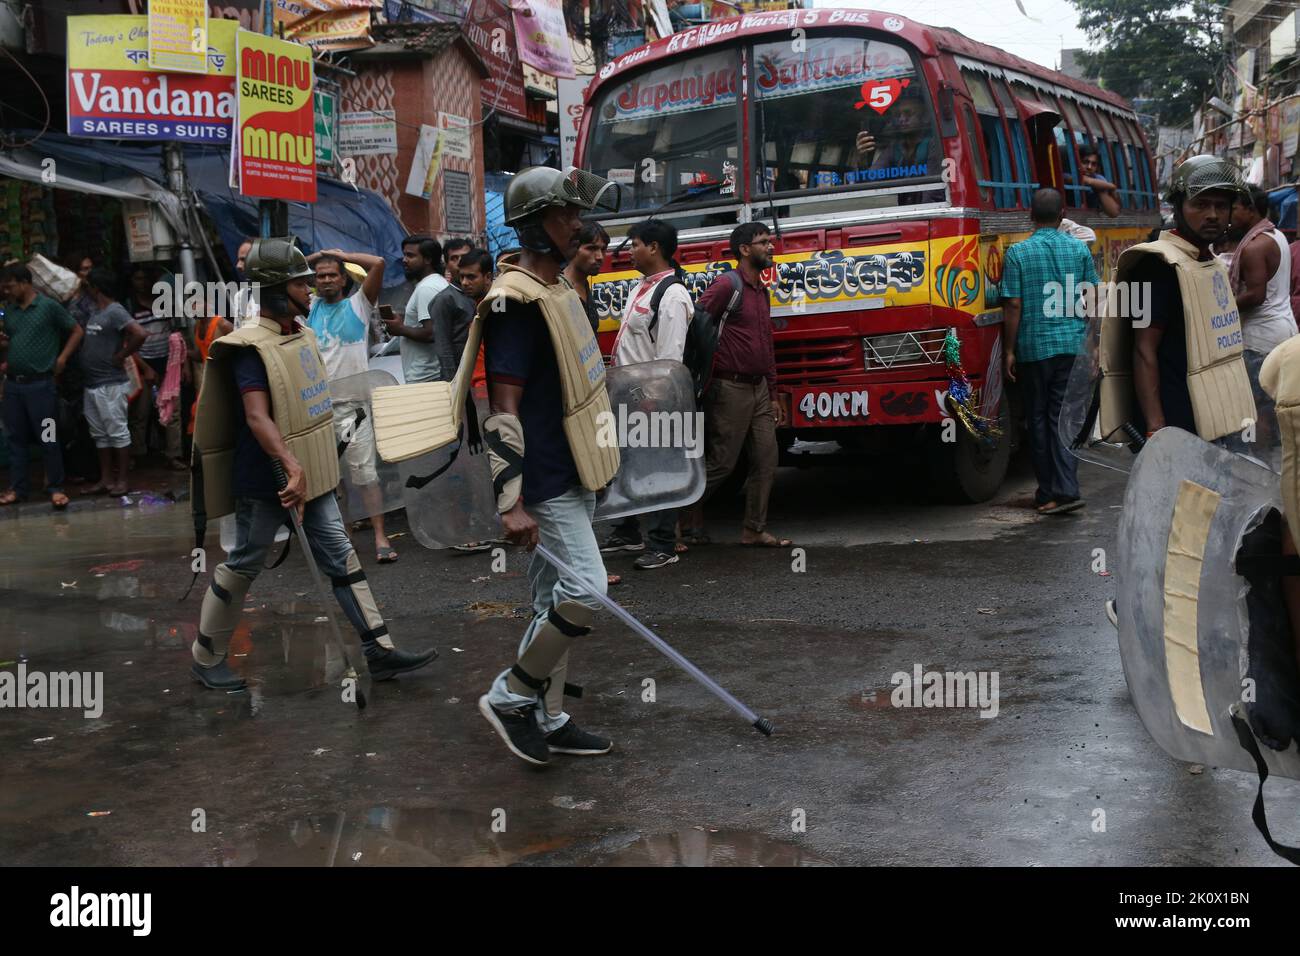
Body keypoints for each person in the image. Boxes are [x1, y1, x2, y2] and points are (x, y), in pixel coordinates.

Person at [189, 237, 437, 692]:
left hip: (312, 471)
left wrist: (311, 465)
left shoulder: (301, 334)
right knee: (245, 561)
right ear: (275, 289)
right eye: (299, 282)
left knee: (340, 557)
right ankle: (207, 657)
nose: (309, 289)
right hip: (267, 478)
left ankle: (378, 651)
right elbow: (256, 415)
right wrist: (289, 465)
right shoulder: (250, 348)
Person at [477, 165, 623, 765]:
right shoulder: (514, 305)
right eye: (564, 215)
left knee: (550, 603)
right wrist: (509, 500)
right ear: (535, 224)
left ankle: (549, 714)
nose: (576, 224)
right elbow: (501, 409)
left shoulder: (559, 291)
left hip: (575, 469)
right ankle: (510, 696)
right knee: (586, 589)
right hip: (542, 480)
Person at [681, 222, 791, 548]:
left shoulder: (762, 291)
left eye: (770, 242)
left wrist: (772, 393)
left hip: (758, 390)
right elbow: (698, 319)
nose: (770, 247)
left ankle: (753, 529)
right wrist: (704, 366)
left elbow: (767, 345)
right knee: (722, 463)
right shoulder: (727, 286)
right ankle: (670, 523)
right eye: (763, 242)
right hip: (729, 388)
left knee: (767, 460)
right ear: (744, 250)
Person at [600, 218, 695, 569]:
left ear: (654, 248)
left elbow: (669, 358)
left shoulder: (672, 294)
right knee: (628, 464)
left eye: (635, 244)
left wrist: (653, 400)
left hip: (651, 399)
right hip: (629, 393)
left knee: (659, 468)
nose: (630, 251)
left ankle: (662, 545)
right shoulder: (641, 287)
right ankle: (627, 532)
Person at [1001, 188, 1098, 515]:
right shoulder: (1079, 250)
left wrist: (1009, 350)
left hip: (1033, 348)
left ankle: (1054, 492)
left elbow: (1013, 303)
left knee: (1038, 419)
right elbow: (1093, 301)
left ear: (1030, 215)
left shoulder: (1018, 253)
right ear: (1062, 216)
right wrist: (1094, 345)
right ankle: (1060, 490)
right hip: (1071, 344)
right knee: (1063, 418)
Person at [305, 247, 398, 564]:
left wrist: (337, 254)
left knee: (366, 476)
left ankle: (380, 536)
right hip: (319, 409)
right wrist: (310, 260)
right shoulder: (311, 308)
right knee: (332, 480)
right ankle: (342, 539)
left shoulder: (358, 305)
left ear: (344, 280)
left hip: (354, 409)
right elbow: (285, 277)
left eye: (332, 275)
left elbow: (379, 263)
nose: (326, 280)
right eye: (321, 276)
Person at [0, 262, 83, 508]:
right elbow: (12, 342)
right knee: (15, 439)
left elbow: (77, 331)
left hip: (41, 386)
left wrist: (62, 358)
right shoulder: (11, 311)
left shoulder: (48, 307)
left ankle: (55, 487)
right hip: (14, 386)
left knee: (48, 437)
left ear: (25, 283)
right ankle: (18, 488)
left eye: (10, 286)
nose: (7, 291)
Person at [1227, 184, 1297, 449]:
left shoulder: (1255, 247)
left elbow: (1256, 295)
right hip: (1282, 330)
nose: (1231, 214)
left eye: (1234, 208)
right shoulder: (1277, 236)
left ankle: (1255, 459)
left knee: (1255, 407)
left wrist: (1222, 309)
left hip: (1260, 337)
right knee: (1270, 406)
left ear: (1249, 209)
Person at [76, 266, 148, 496]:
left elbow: (140, 333)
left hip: (110, 383)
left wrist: (121, 356)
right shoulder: (96, 311)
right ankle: (106, 480)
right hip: (93, 384)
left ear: (96, 288)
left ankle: (122, 480)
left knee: (117, 432)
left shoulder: (115, 310)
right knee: (100, 434)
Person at [382, 236, 446, 384]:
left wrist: (400, 329)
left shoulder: (427, 288)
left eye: (410, 255)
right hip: (431, 374)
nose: (404, 260)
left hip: (426, 376)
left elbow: (431, 333)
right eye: (404, 254)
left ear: (428, 259)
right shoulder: (435, 283)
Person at [434, 248, 489, 381]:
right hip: (469, 381)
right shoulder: (447, 298)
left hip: (485, 382)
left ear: (487, 277)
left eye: (471, 277)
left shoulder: (498, 301)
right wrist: (453, 383)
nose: (464, 282)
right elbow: (443, 346)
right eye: (462, 276)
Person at [564, 220, 610, 335]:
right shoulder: (560, 289)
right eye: (591, 248)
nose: (600, 257)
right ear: (574, 249)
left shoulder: (584, 284)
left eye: (603, 249)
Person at [1075, 144, 1120, 218]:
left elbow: (1114, 213)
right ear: (1077, 162)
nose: (1089, 167)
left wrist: (1100, 188)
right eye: (1085, 162)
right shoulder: (1068, 175)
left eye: (1093, 164)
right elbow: (1086, 180)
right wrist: (1111, 186)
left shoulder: (1098, 178)